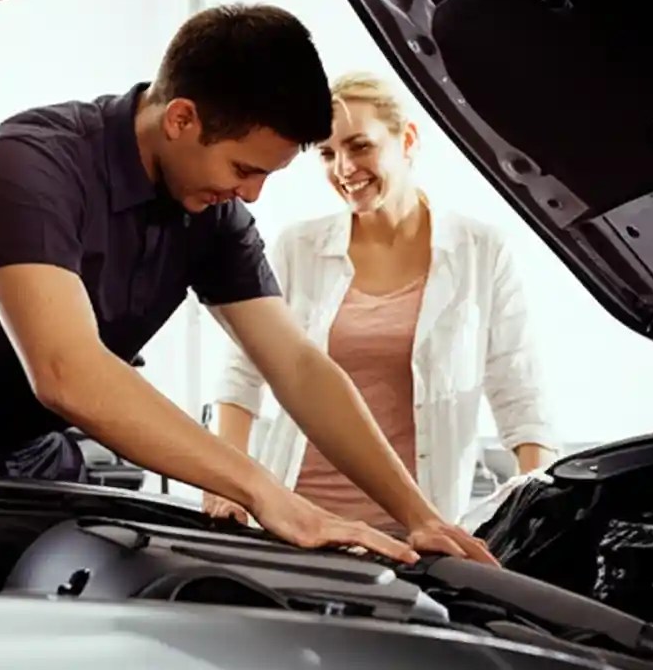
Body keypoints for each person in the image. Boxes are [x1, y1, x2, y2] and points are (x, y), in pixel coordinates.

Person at [0, 4, 496, 565]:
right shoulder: (28, 162)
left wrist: (419, 514)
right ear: (181, 119)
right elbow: (66, 370)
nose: (251, 194)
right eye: (243, 168)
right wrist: (266, 492)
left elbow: (297, 365)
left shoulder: (216, 214)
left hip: (39, 454)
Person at [205, 71, 560, 531]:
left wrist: (533, 512)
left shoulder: (481, 251)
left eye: (360, 146)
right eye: (328, 154)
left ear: (407, 139)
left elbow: (520, 395)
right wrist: (224, 485)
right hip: (297, 522)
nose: (344, 169)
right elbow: (242, 375)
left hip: (417, 530)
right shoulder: (299, 248)